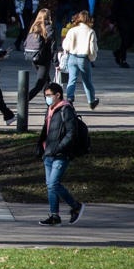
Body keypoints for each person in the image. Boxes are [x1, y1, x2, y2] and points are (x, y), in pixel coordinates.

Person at [35, 82, 86, 226]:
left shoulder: (66, 109)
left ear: (58, 95)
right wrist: (40, 146)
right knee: (50, 185)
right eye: (45, 96)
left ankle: (76, 206)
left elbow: (71, 133)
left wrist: (59, 148)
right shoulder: (50, 109)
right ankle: (54, 216)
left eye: (49, 95)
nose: (47, 98)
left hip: (61, 154)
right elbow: (46, 129)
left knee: (53, 184)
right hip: (48, 153)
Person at [61, 10, 99, 109]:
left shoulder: (72, 30)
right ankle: (91, 100)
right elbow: (92, 48)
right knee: (87, 81)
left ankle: (69, 99)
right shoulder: (90, 31)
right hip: (83, 58)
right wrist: (92, 58)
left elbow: (65, 45)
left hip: (72, 56)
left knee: (71, 79)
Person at [24, 8, 57, 101]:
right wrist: (56, 63)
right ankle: (24, 100)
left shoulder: (34, 26)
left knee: (47, 82)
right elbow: (53, 47)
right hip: (44, 59)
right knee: (40, 85)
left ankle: (50, 103)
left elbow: (26, 42)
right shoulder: (49, 28)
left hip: (34, 57)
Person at [108, 0, 134, 68]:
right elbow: (114, 7)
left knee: (131, 39)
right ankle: (123, 60)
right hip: (121, 20)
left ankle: (118, 52)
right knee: (125, 39)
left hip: (131, 20)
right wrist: (112, 21)